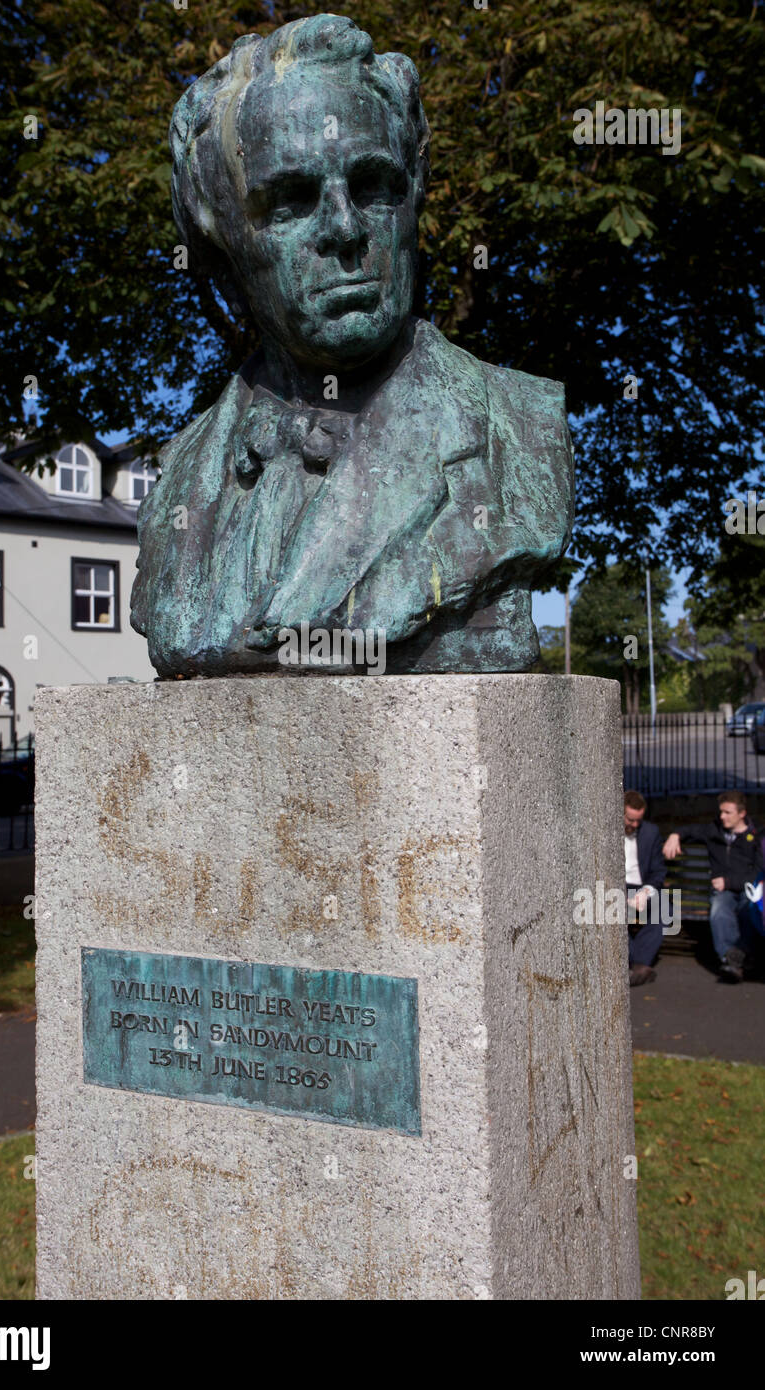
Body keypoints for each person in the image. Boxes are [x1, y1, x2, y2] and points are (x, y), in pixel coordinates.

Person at [130, 14, 574, 678]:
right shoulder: (181, 476)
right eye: (291, 201)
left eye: (373, 187)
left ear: (413, 189)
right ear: (218, 228)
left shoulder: (520, 428)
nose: (345, 228)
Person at [663, 792, 761, 983]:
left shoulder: (756, 835)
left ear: (742, 814)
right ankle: (731, 959)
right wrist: (675, 835)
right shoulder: (714, 830)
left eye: (727, 812)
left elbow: (759, 871)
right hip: (723, 891)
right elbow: (690, 830)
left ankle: (739, 958)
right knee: (719, 909)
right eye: (721, 812)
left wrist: (729, 881)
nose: (722, 816)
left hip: (749, 888)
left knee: (750, 911)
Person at [624, 790, 667, 987]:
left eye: (638, 821)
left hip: (641, 887)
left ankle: (639, 964)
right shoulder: (604, 833)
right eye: (630, 820)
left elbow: (658, 871)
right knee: (608, 911)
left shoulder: (650, 832)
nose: (634, 825)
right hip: (616, 889)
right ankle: (634, 962)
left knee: (665, 910)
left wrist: (645, 892)